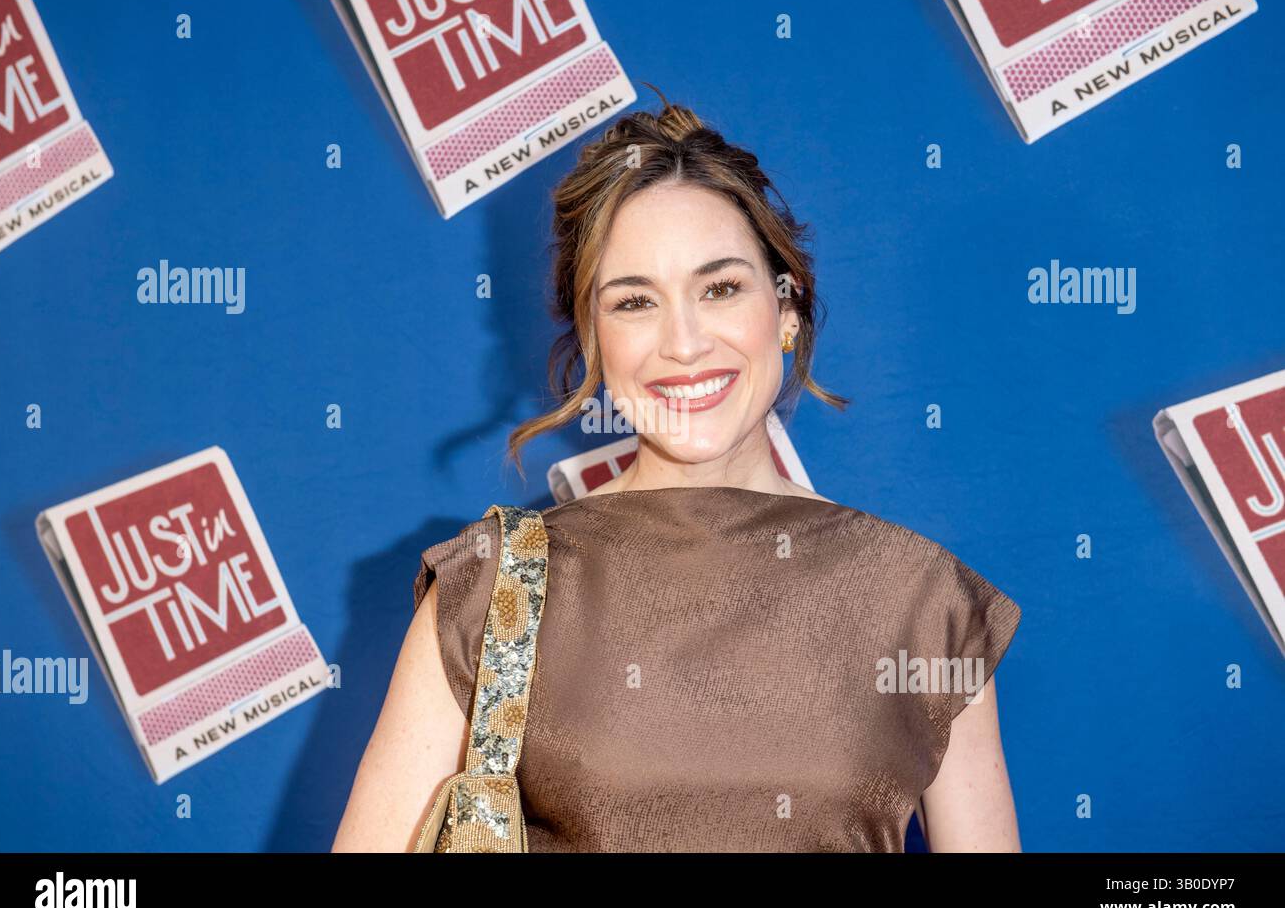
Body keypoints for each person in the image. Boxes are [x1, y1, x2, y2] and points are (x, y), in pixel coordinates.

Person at [333, 95, 1022, 852]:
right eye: (635, 302)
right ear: (592, 337)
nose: (684, 343)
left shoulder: (921, 600)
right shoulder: (490, 590)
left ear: (787, 308)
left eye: (720, 287)